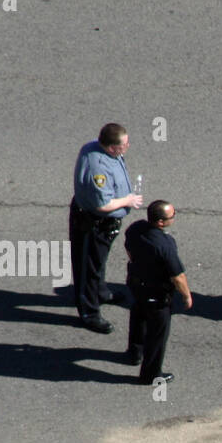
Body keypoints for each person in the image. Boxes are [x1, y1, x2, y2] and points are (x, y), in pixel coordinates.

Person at [70, 122, 143, 333]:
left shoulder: (95, 147)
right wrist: (127, 200)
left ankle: (100, 292)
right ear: (111, 147)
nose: (128, 146)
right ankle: (89, 312)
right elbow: (103, 205)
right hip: (94, 223)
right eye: (124, 144)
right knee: (88, 268)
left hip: (102, 223)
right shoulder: (98, 169)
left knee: (98, 262)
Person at [124, 200, 191, 385]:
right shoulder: (165, 245)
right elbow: (178, 276)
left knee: (138, 316)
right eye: (172, 216)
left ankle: (134, 352)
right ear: (160, 222)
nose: (174, 218)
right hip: (157, 293)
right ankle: (150, 374)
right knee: (157, 335)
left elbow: (128, 248)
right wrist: (187, 296)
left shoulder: (135, 228)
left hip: (136, 284)